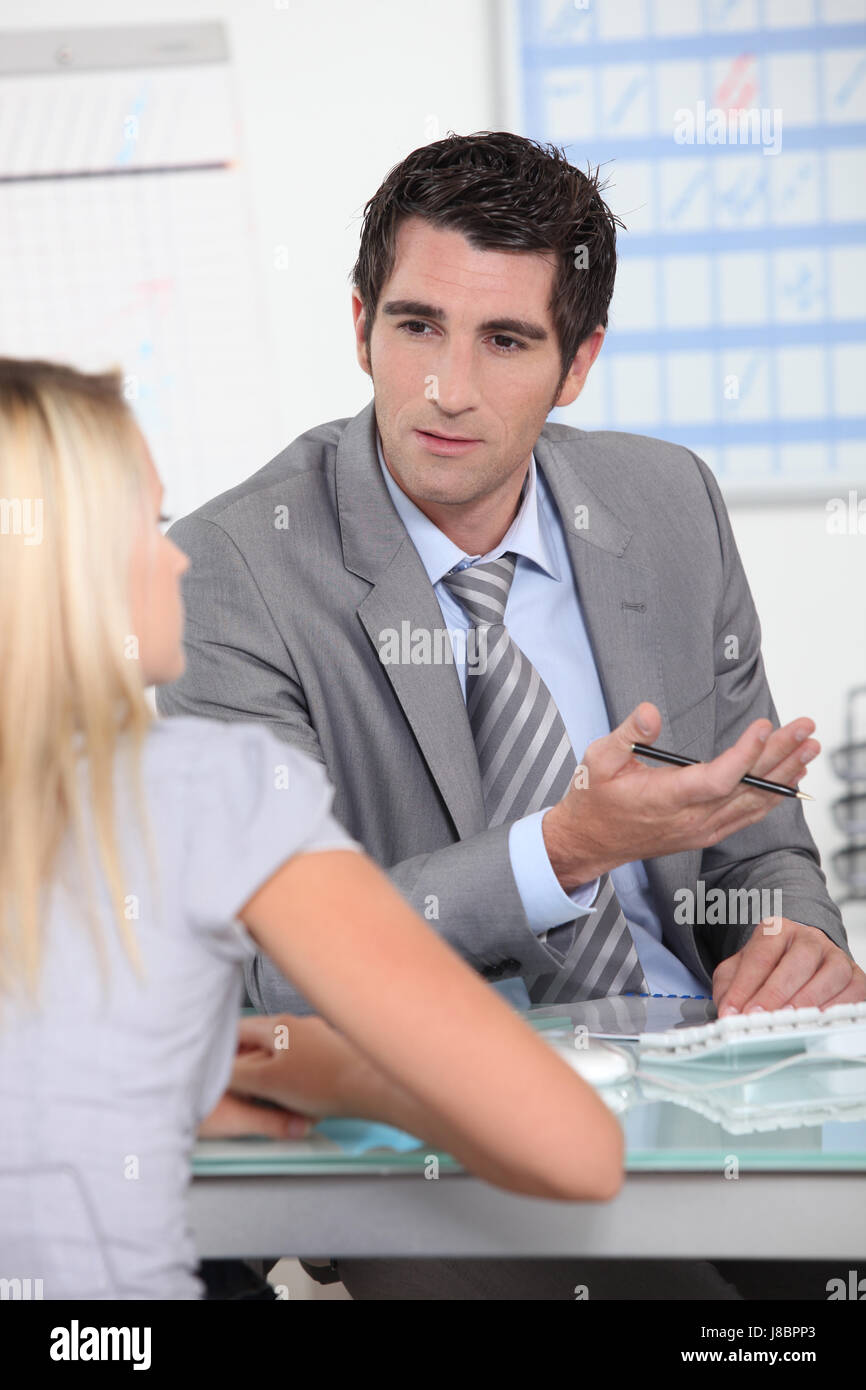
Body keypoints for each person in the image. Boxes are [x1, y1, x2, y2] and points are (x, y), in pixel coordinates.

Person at [157, 130, 864, 1300]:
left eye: (505, 341)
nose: (445, 388)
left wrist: (794, 942)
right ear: (358, 327)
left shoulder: (667, 500)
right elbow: (278, 977)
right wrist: (565, 847)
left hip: (709, 1089)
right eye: (415, 325)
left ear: (576, 361)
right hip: (432, 1123)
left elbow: (760, 824)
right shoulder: (235, 569)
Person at [0, 357, 628, 1301]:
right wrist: (347, 1079)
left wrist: (156, 1096)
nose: (178, 557)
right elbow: (577, 1151)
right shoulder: (202, 790)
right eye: (146, 525)